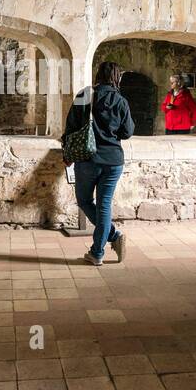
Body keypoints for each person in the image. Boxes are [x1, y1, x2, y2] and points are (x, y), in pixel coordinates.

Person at [63, 61, 134, 266]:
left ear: (98, 75)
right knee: (104, 206)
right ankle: (102, 246)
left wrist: (66, 152)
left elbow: (71, 125)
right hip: (113, 161)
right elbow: (127, 132)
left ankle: (103, 246)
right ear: (116, 77)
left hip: (87, 159)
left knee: (85, 201)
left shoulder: (85, 94)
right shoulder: (121, 101)